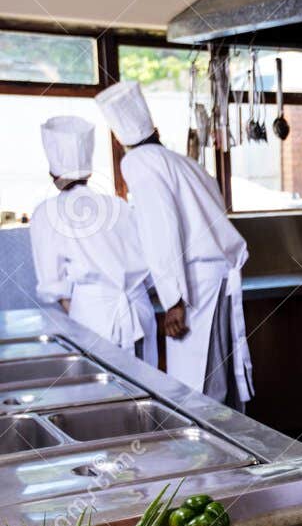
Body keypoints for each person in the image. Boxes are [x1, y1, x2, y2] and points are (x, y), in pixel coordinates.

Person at [95, 80, 252, 405]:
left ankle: (211, 453)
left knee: (199, 387)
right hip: (214, 279)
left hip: (194, 286)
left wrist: (172, 301)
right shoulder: (180, 161)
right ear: (155, 129)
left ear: (119, 138)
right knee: (216, 382)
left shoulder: (138, 163)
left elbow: (161, 230)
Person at [29, 115, 158, 362]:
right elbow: (151, 269)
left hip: (94, 320)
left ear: (52, 175)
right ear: (88, 172)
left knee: (108, 395)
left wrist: (82, 314)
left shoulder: (46, 213)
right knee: (145, 391)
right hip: (140, 312)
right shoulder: (119, 206)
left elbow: (53, 286)